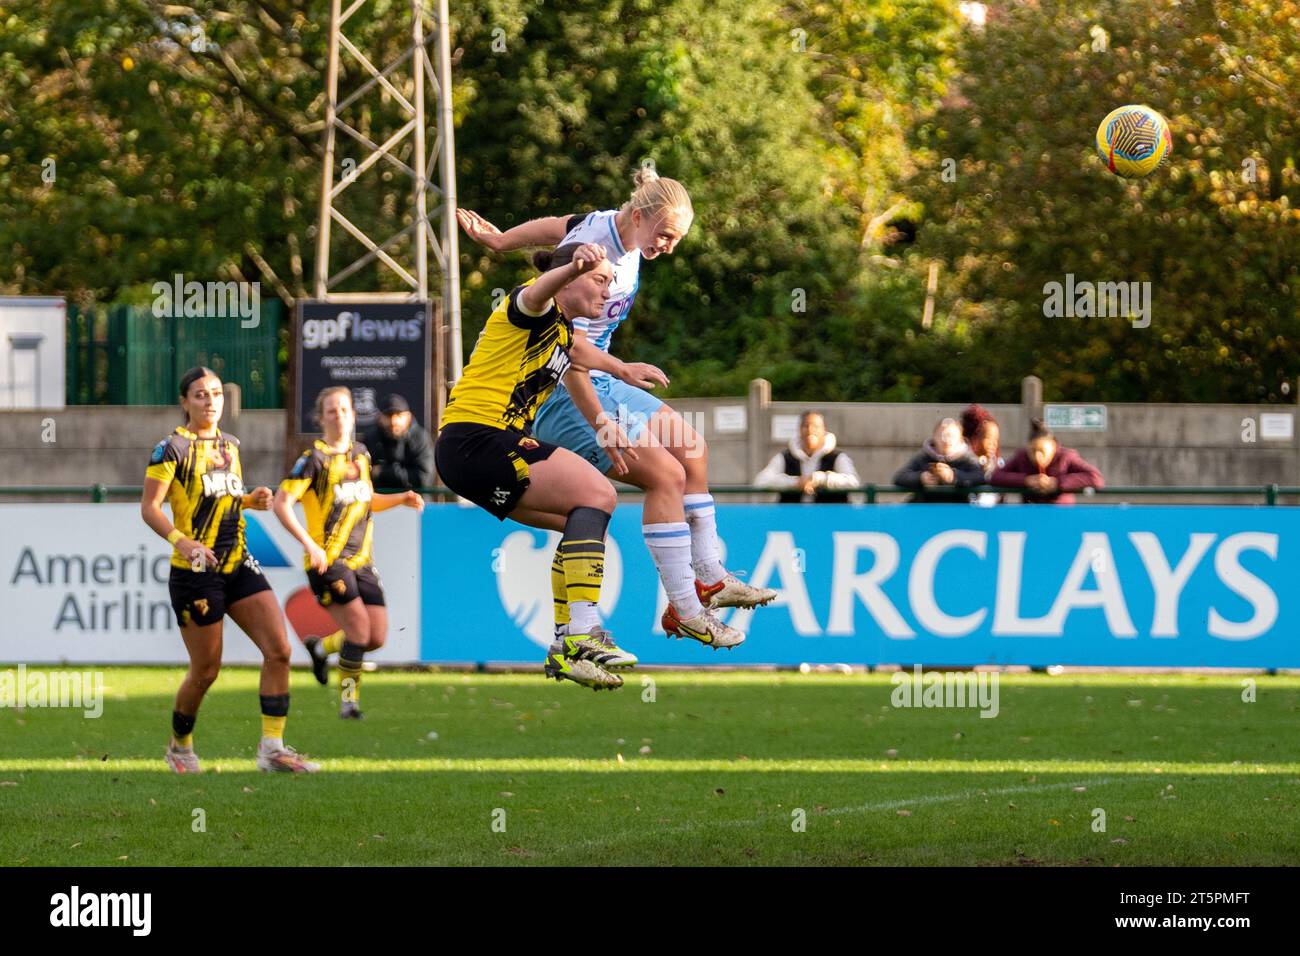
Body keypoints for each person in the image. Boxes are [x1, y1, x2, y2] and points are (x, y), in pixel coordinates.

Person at [457, 168, 775, 651]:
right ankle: (686, 609)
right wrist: (602, 421)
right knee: (664, 476)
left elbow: (560, 224)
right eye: (666, 234)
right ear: (643, 216)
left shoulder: (609, 228)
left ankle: (708, 574)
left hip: (601, 374)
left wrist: (501, 241)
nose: (669, 246)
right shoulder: (596, 252)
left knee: (692, 449)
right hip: (572, 389)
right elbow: (568, 353)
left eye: (677, 238)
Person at [435, 241, 635, 690]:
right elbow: (538, 294)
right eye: (599, 280)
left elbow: (580, 356)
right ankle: (584, 629)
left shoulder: (562, 331)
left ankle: (566, 645)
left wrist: (621, 370)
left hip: (467, 454)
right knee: (599, 494)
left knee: (585, 519)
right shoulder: (530, 305)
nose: (606, 293)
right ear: (571, 276)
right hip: (479, 438)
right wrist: (571, 269)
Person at [141, 366, 319, 774]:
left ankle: (272, 750)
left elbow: (221, 496)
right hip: (195, 570)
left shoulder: (231, 445)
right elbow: (150, 508)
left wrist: (248, 500)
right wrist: (182, 541)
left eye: (216, 393)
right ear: (185, 402)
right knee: (205, 671)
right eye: (201, 394)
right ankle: (180, 747)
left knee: (279, 650)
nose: (210, 401)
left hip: (237, 560)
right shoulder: (171, 449)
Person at [273, 386, 425, 719]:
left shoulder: (361, 454)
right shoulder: (313, 459)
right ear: (320, 418)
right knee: (358, 632)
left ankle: (320, 646)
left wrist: (401, 498)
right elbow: (281, 502)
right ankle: (349, 702)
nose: (339, 416)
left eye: (344, 409)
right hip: (329, 562)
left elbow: (367, 500)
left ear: (353, 415)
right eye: (332, 410)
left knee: (376, 637)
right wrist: (309, 544)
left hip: (362, 562)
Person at [754, 411, 861, 503]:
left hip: (829, 520)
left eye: (816, 426)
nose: (810, 430)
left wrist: (821, 479)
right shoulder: (785, 457)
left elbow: (853, 482)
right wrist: (795, 482)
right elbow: (761, 481)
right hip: (792, 520)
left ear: (824, 430)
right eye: (806, 426)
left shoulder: (838, 457)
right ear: (799, 430)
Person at [993, 419, 1104, 504]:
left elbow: (1095, 477)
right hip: (1030, 515)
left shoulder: (1066, 456)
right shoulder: (1022, 456)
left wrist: (1057, 483)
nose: (1037, 456)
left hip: (1061, 515)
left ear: (1054, 447)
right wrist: (1026, 480)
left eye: (1042, 451)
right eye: (1032, 451)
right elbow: (996, 476)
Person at [893, 417, 985, 503]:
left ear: (960, 438)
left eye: (951, 436)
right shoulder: (923, 457)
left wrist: (953, 477)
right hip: (926, 509)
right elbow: (900, 478)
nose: (946, 440)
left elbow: (980, 477)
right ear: (934, 437)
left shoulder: (967, 458)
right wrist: (921, 478)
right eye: (941, 435)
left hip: (958, 510)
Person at [362, 394, 435, 491]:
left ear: (408, 416)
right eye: (388, 416)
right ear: (379, 417)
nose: (393, 421)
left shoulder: (421, 438)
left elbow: (423, 479)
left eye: (399, 415)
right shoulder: (371, 438)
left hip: (415, 502)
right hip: (381, 503)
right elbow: (363, 478)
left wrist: (382, 472)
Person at [960, 404, 1004, 506]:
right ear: (975, 438)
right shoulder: (962, 460)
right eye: (988, 438)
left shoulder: (998, 464)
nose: (993, 443)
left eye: (996, 439)